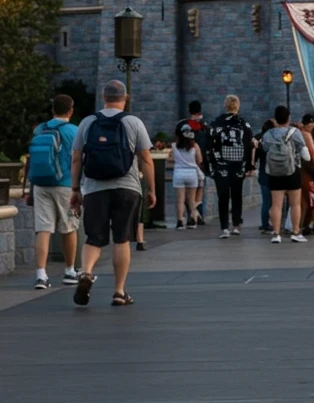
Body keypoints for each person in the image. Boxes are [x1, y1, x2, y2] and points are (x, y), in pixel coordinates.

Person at [69, 79, 155, 307]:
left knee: (94, 238)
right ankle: (119, 292)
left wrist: (75, 189)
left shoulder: (88, 123)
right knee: (122, 238)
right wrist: (152, 190)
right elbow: (146, 159)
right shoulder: (133, 122)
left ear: (104, 98)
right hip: (127, 188)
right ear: (125, 98)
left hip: (95, 188)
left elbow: (77, 158)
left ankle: (86, 273)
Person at [23, 94, 80, 289]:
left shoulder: (40, 129)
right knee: (69, 227)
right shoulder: (74, 131)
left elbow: (33, 158)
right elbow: (78, 159)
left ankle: (41, 275)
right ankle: (70, 270)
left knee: (43, 229)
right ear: (71, 110)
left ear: (52, 110)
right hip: (64, 184)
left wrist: (30, 189)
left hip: (40, 184)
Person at [207, 95, 255, 237]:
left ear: (225, 105)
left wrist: (211, 165)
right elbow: (249, 145)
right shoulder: (244, 124)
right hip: (238, 165)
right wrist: (249, 166)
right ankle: (236, 224)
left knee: (222, 196)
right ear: (238, 106)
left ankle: (224, 227)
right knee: (236, 194)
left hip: (220, 165)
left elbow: (209, 145)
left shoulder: (216, 124)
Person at [263, 105, 308, 243]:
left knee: (276, 204)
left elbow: (265, 149)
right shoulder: (295, 132)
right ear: (288, 118)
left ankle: (276, 233)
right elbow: (305, 154)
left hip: (275, 172)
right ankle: (295, 231)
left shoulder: (268, 134)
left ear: (275, 119)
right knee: (295, 204)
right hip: (292, 171)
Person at [181, 100, 209, 224]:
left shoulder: (183, 125)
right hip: (201, 161)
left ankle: (191, 215)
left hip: (186, 162)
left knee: (188, 191)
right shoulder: (204, 127)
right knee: (200, 189)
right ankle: (198, 214)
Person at [170, 124, 203, 228]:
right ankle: (193, 219)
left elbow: (170, 159)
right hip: (192, 173)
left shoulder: (175, 146)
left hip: (179, 173)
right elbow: (199, 160)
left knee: (180, 200)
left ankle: (180, 221)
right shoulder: (194, 145)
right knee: (191, 199)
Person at [257, 117, 275, 233]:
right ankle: (275, 223)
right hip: (275, 174)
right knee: (275, 203)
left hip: (263, 174)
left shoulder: (259, 140)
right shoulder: (275, 139)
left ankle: (264, 224)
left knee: (266, 202)